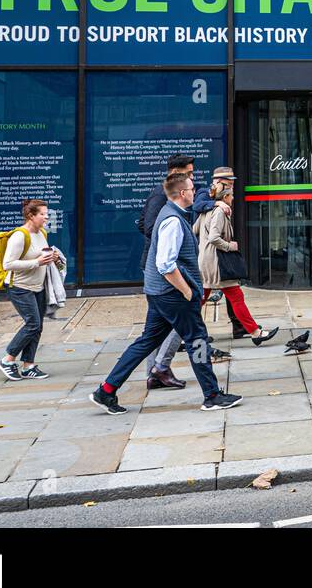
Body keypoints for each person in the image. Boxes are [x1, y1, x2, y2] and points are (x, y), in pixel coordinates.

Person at [91, 173, 241, 414]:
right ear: (182, 193)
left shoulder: (171, 214)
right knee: (198, 340)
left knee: (146, 341)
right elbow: (165, 264)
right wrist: (187, 292)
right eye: (192, 188)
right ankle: (212, 395)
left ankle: (106, 390)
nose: (195, 192)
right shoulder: (172, 221)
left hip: (158, 294)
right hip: (173, 295)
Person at [195, 172, 278, 346]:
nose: (233, 198)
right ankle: (255, 332)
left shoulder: (206, 211)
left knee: (200, 299)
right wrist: (229, 245)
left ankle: (181, 333)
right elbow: (214, 238)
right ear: (225, 196)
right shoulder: (218, 211)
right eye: (231, 195)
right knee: (236, 297)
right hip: (218, 263)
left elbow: (194, 229)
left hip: (206, 261)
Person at [0, 198, 66, 381]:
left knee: (38, 326)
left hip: (38, 285)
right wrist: (37, 262)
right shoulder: (20, 236)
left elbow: (41, 254)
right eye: (42, 214)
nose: (46, 217)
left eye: (46, 214)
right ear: (31, 215)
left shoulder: (41, 232)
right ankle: (8, 359)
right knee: (32, 324)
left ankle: (28, 365)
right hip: (19, 287)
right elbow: (8, 264)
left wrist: (53, 257)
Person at [193, 165, 250, 339]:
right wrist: (217, 203)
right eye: (228, 182)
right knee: (223, 292)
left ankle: (240, 327)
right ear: (218, 182)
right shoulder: (206, 194)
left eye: (232, 182)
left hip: (212, 254)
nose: (232, 185)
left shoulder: (222, 200)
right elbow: (198, 206)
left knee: (230, 291)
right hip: (210, 254)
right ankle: (188, 332)